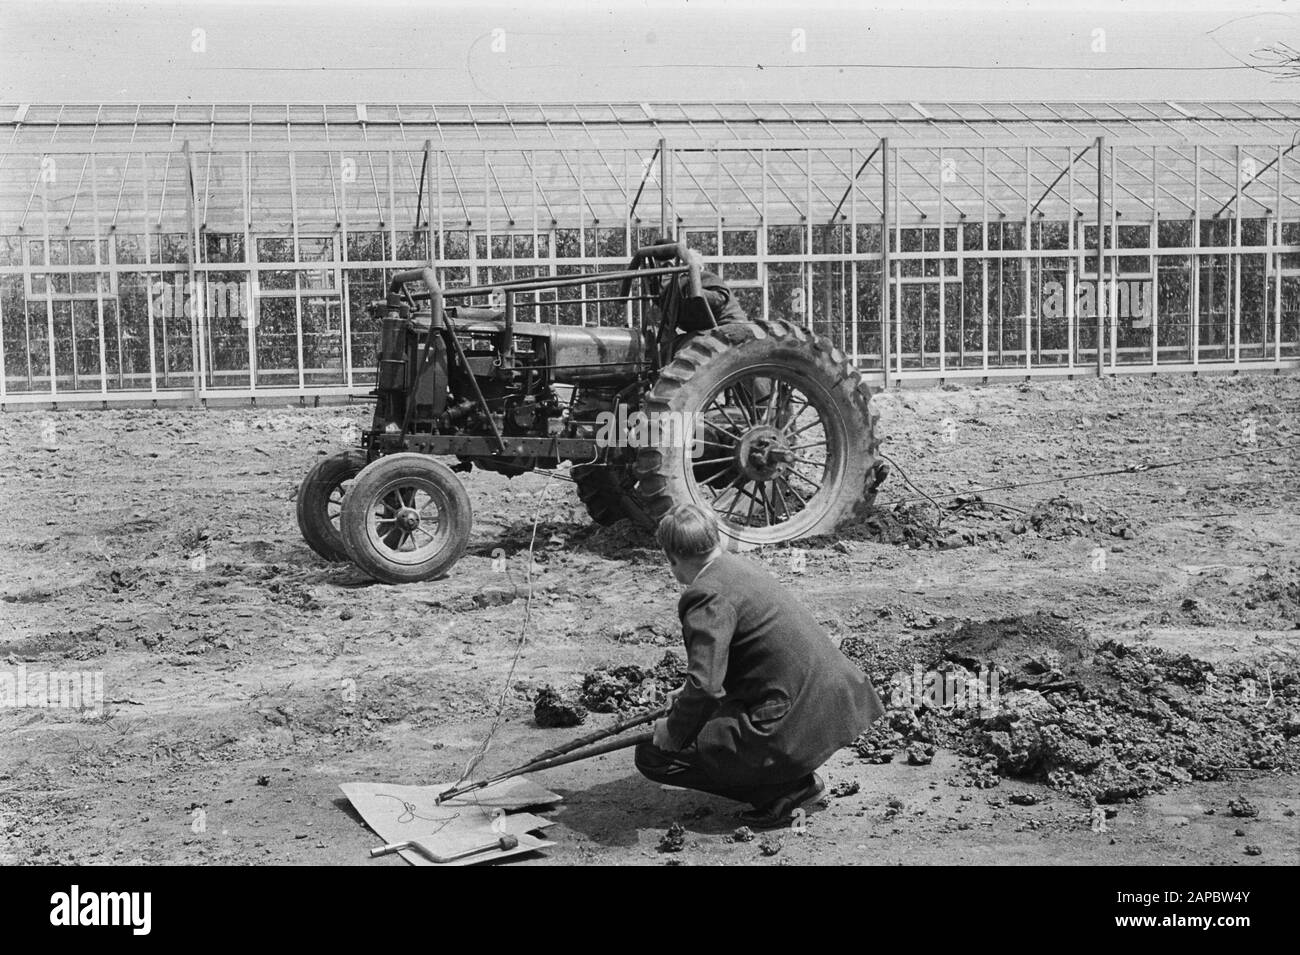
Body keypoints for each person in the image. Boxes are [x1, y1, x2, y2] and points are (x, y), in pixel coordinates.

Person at [635, 503, 884, 827]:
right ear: (716, 541)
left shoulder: (704, 596)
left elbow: (707, 687)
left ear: (672, 559)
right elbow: (742, 658)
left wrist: (673, 730)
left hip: (792, 719)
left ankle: (783, 791)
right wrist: (686, 694)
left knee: (652, 755)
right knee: (698, 718)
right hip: (835, 703)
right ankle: (791, 774)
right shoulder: (736, 568)